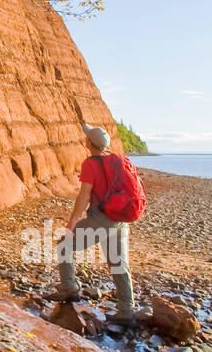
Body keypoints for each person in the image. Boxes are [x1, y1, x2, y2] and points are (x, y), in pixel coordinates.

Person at [54, 123, 145, 323]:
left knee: (63, 245)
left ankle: (70, 289)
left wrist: (72, 222)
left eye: (86, 137)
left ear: (89, 142)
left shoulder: (90, 164)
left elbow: (84, 194)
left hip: (101, 219)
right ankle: (126, 311)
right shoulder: (117, 161)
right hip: (121, 220)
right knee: (119, 263)